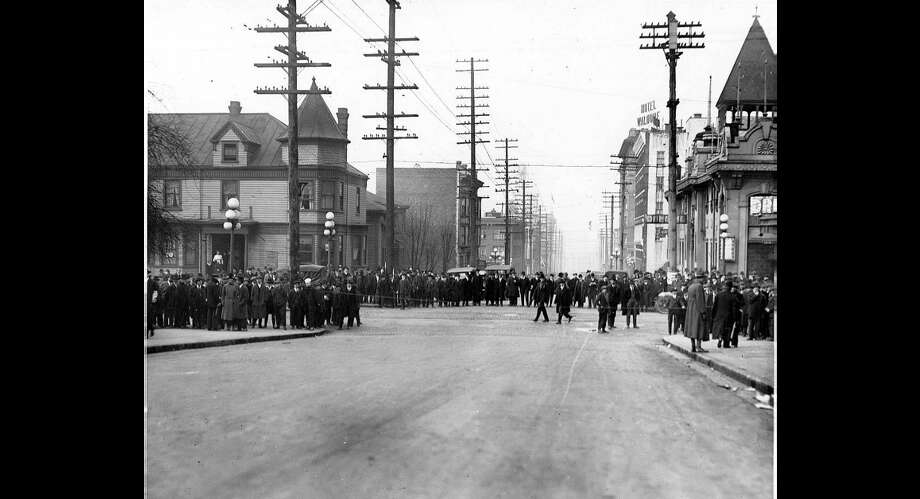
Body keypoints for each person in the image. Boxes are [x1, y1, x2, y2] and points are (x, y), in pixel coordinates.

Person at [684, 272, 709, 352]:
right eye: (703, 278)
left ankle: (693, 346)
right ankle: (699, 346)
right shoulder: (699, 287)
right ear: (699, 279)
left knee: (692, 328)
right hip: (697, 310)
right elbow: (700, 300)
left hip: (690, 310)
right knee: (699, 327)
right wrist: (703, 312)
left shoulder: (691, 286)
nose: (704, 280)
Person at [712, 281, 736, 348]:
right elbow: (734, 309)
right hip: (728, 316)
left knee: (720, 329)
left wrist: (713, 315)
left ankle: (720, 339)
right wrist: (734, 318)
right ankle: (726, 344)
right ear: (731, 287)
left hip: (719, 315)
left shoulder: (718, 295)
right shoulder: (732, 296)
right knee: (727, 330)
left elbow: (715, 306)